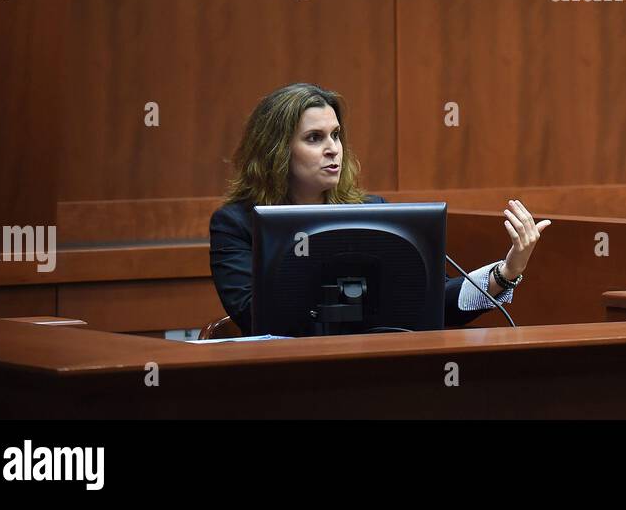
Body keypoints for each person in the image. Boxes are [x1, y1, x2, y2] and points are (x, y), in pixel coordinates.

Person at [210, 83, 549, 334]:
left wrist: (506, 272)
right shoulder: (237, 224)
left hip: (372, 371)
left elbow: (433, 303)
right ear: (276, 150)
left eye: (336, 135)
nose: (333, 150)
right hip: (288, 379)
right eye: (314, 138)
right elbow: (253, 315)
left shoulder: (373, 214)